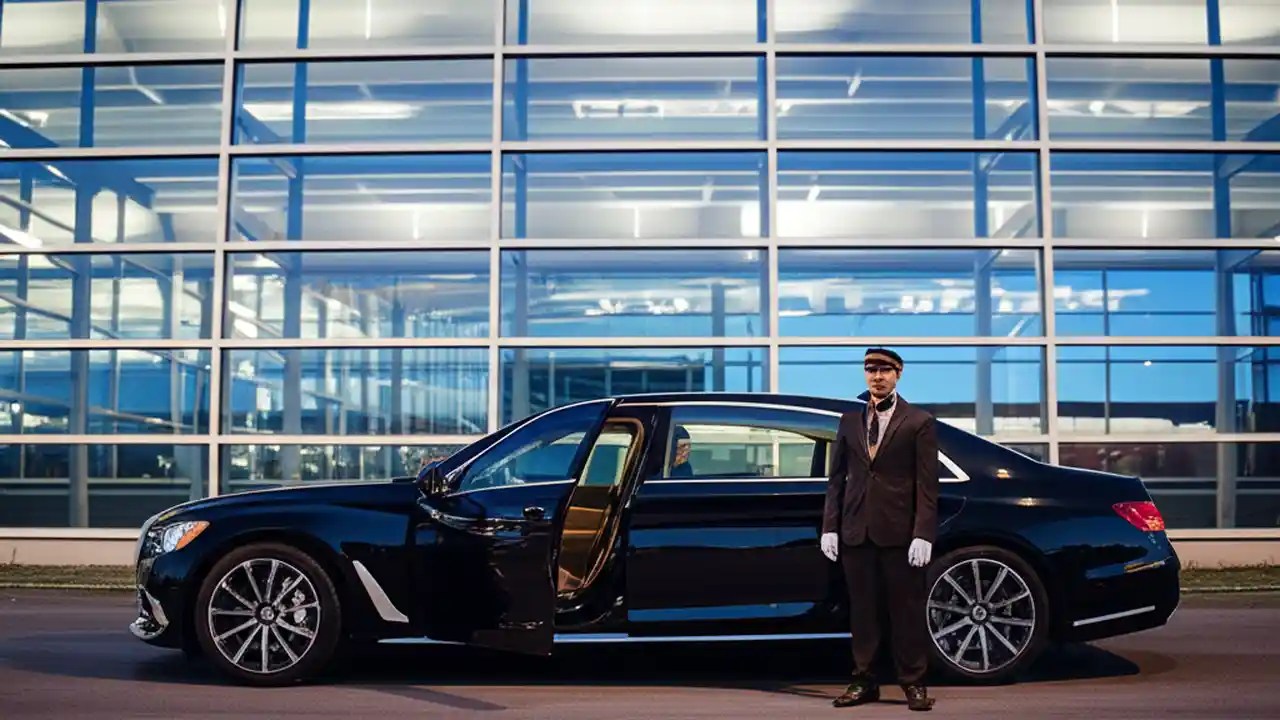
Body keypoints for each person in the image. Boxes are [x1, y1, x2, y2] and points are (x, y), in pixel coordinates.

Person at [821, 347, 938, 711]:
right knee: (863, 612)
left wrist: (923, 533)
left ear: (899, 374)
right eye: (871, 369)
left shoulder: (919, 421)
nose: (877, 375)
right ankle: (864, 681)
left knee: (905, 611)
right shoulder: (848, 421)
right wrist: (830, 526)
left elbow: (927, 485)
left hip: (900, 533)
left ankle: (913, 682)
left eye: (885, 369)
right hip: (856, 531)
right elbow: (836, 478)